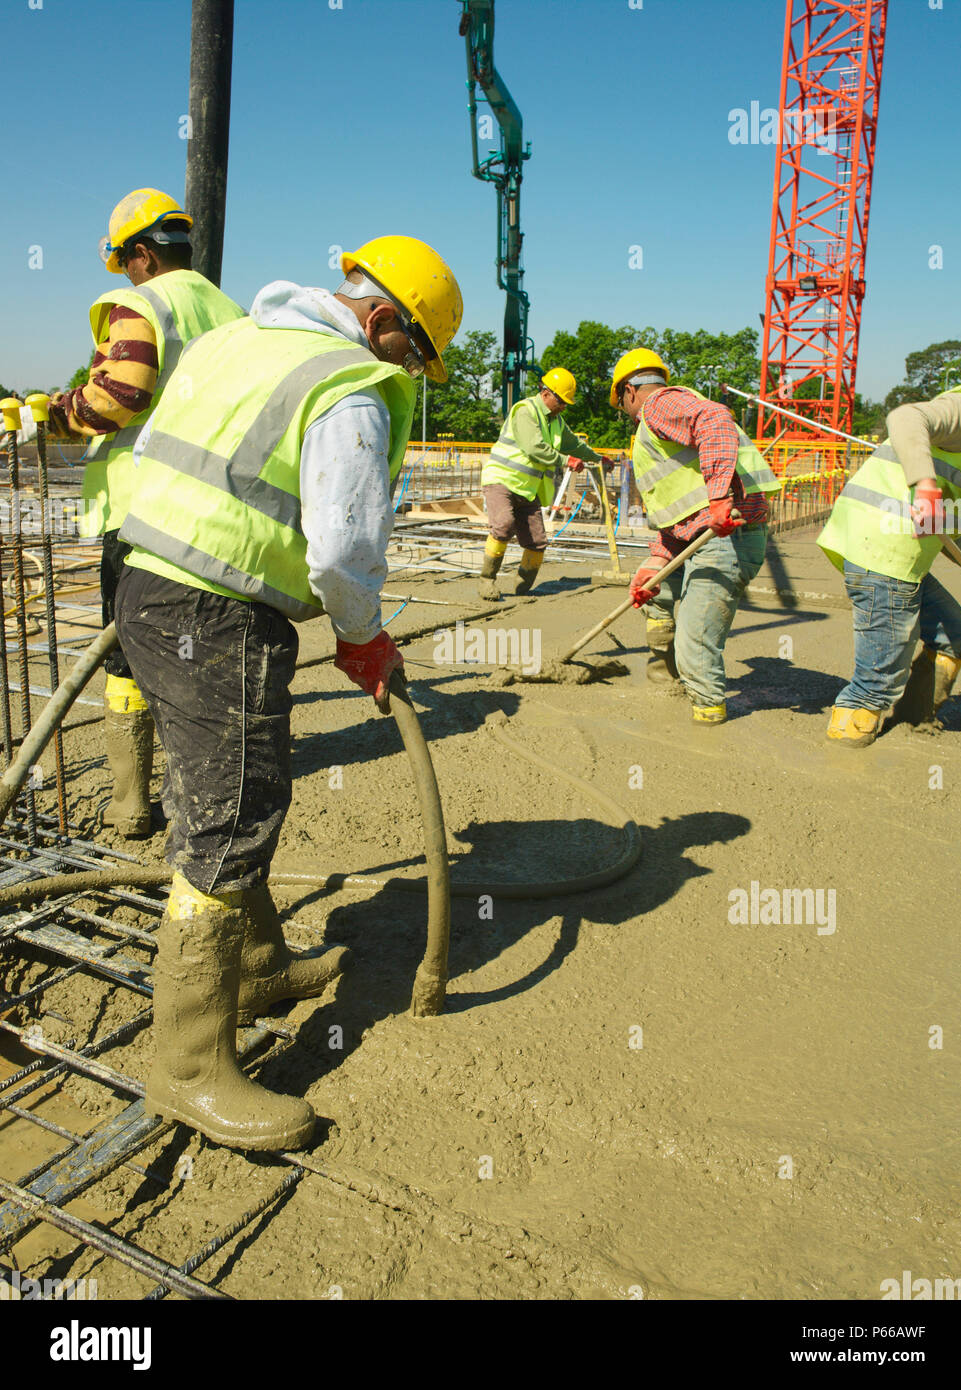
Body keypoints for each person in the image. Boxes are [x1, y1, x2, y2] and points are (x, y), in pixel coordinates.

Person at [113, 236, 463, 1151]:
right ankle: (187, 1070)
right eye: (415, 354)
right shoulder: (346, 384)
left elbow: (149, 450)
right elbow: (343, 546)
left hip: (145, 585)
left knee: (231, 790)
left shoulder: (236, 339)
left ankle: (260, 965)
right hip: (219, 609)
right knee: (231, 812)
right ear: (383, 321)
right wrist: (361, 637)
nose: (411, 373)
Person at [48, 188, 244, 835]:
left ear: (139, 256)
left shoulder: (142, 303)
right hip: (220, 519)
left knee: (127, 654)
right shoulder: (231, 316)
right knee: (202, 654)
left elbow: (115, 399)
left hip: (141, 514)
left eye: (125, 263)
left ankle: (131, 804)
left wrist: (51, 412)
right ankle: (205, 795)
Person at [611, 350, 780, 723]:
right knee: (654, 590)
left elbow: (715, 418)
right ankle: (664, 676)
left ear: (629, 391)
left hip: (726, 537)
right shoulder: (658, 426)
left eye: (620, 403)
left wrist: (720, 494)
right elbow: (681, 512)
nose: (623, 410)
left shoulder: (659, 404)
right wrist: (655, 562)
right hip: (696, 535)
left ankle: (707, 714)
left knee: (696, 642)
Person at [817, 385, 961, 747]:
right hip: (882, 551)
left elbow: (944, 522)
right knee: (879, 677)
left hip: (901, 557)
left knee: (957, 635)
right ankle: (846, 746)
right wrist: (925, 483)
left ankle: (914, 717)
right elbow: (905, 416)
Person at [478, 368, 612, 599]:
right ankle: (487, 581)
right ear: (546, 393)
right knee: (503, 525)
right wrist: (565, 460)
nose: (563, 407)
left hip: (528, 489)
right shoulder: (525, 411)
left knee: (537, 541)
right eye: (561, 401)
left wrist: (598, 458)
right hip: (502, 480)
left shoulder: (556, 421)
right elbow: (534, 447)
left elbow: (574, 445)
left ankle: (522, 586)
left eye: (566, 403)